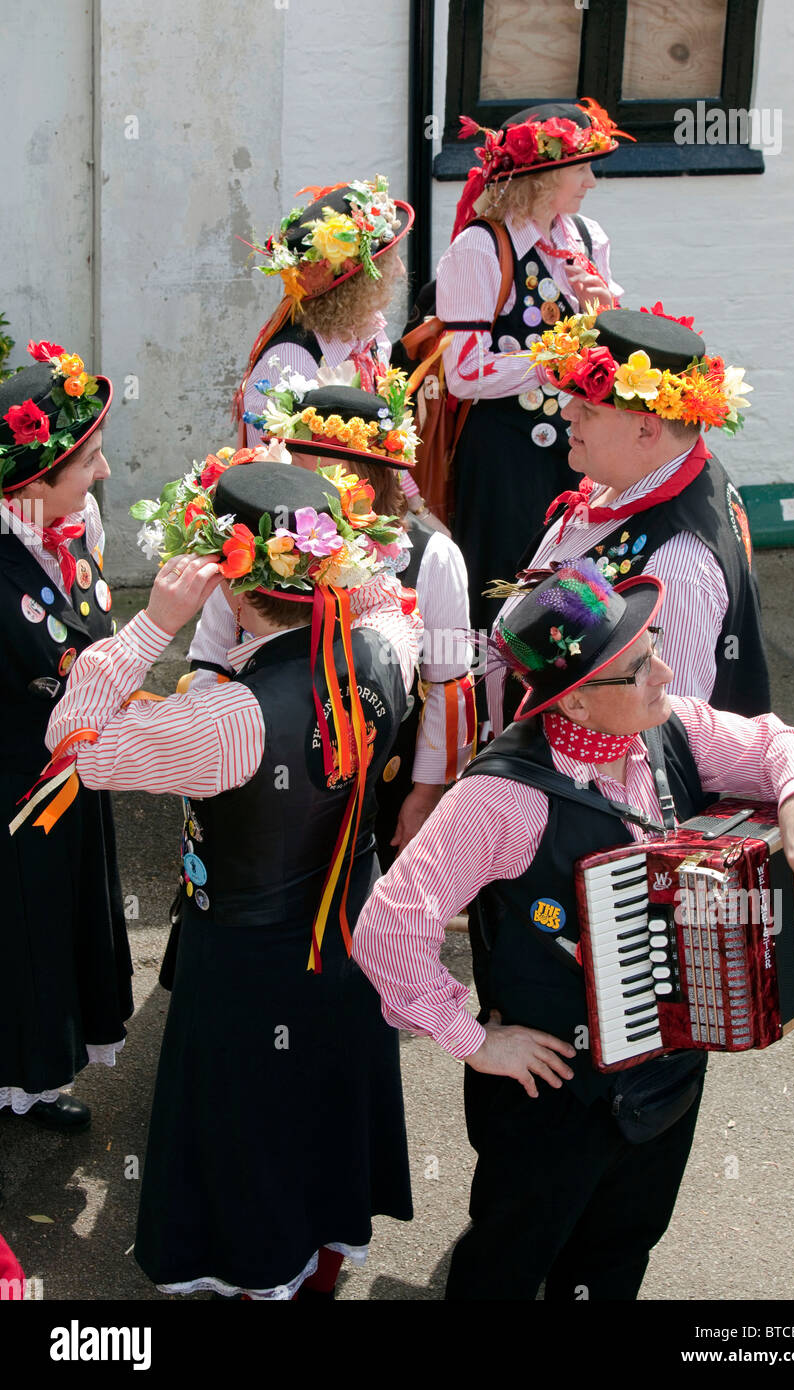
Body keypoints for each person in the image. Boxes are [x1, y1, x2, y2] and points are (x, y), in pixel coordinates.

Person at [353, 560, 794, 1301]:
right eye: (641, 665)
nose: (667, 671)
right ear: (578, 705)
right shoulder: (500, 797)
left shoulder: (674, 727)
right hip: (555, 1098)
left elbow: (780, 744)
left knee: (618, 1260)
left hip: (670, 1078)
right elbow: (388, 929)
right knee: (507, 1264)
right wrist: (475, 1039)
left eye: (651, 646)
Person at [48, 458, 422, 1299]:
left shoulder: (224, 717)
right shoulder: (390, 648)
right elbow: (378, 601)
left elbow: (70, 743)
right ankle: (317, 1249)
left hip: (249, 956)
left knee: (248, 1124)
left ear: (225, 577)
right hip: (347, 929)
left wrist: (153, 624)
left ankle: (256, 1268)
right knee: (319, 1100)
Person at [190, 374, 475, 864]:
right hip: (259, 767)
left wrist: (427, 794)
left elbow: (449, 682)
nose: (293, 480)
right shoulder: (253, 546)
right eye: (292, 460)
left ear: (368, 477)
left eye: (313, 467)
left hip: (378, 778)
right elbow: (210, 663)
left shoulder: (433, 558)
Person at [486, 304, 767, 733]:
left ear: (646, 431)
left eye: (589, 409)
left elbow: (658, 734)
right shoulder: (645, 472)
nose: (567, 414)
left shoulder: (677, 569)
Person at [437, 99, 631, 638]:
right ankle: (490, 715)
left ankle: (566, 706)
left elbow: (612, 356)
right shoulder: (479, 248)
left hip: (580, 452)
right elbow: (464, 374)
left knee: (578, 593)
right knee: (502, 588)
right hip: (504, 458)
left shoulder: (588, 239)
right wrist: (552, 360)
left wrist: (602, 313)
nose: (591, 181)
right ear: (542, 174)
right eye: (581, 167)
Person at [0, 338, 131, 1132]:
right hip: (14, 792)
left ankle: (36, 1073)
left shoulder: (73, 527)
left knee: (57, 922)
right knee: (19, 928)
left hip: (68, 775)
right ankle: (17, 1080)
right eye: (87, 464)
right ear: (29, 485)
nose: (105, 475)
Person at [235, 174, 435, 520]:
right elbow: (279, 479)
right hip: (316, 530)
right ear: (357, 282)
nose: (401, 271)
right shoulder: (292, 360)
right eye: (389, 262)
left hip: (367, 517)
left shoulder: (371, 338)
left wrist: (415, 507)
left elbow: (386, 438)